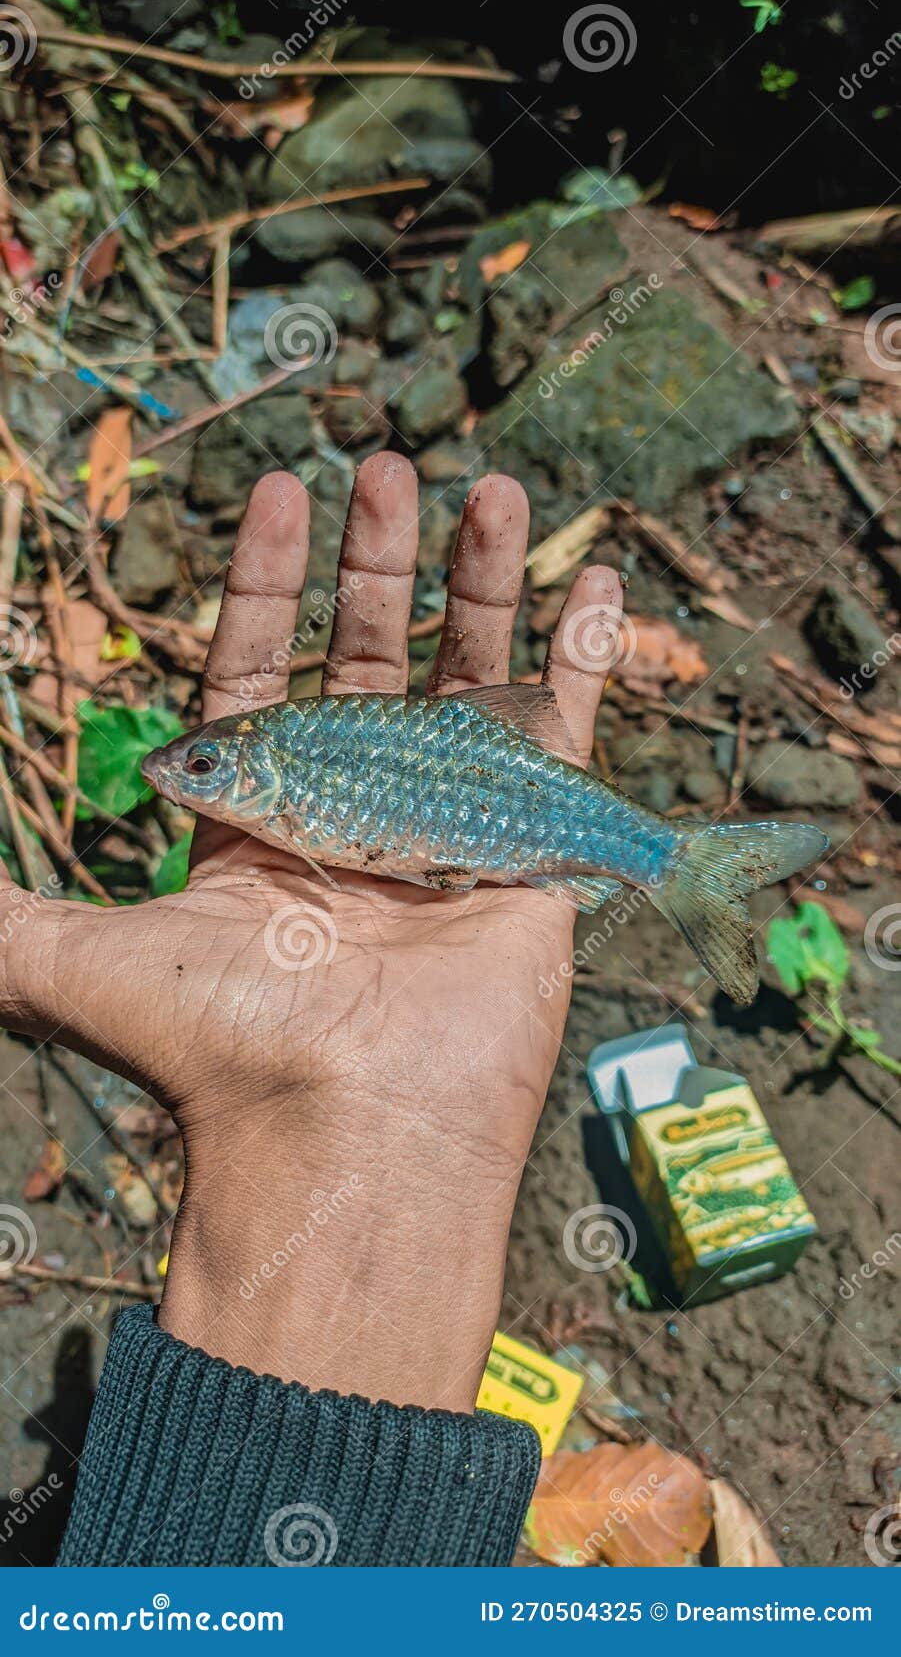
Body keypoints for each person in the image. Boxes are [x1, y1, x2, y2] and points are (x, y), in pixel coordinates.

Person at [0, 454, 623, 1566]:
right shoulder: (284, 761)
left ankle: (674, 863)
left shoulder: (289, 759)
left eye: (197, 768)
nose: (174, 778)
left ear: (246, 770)